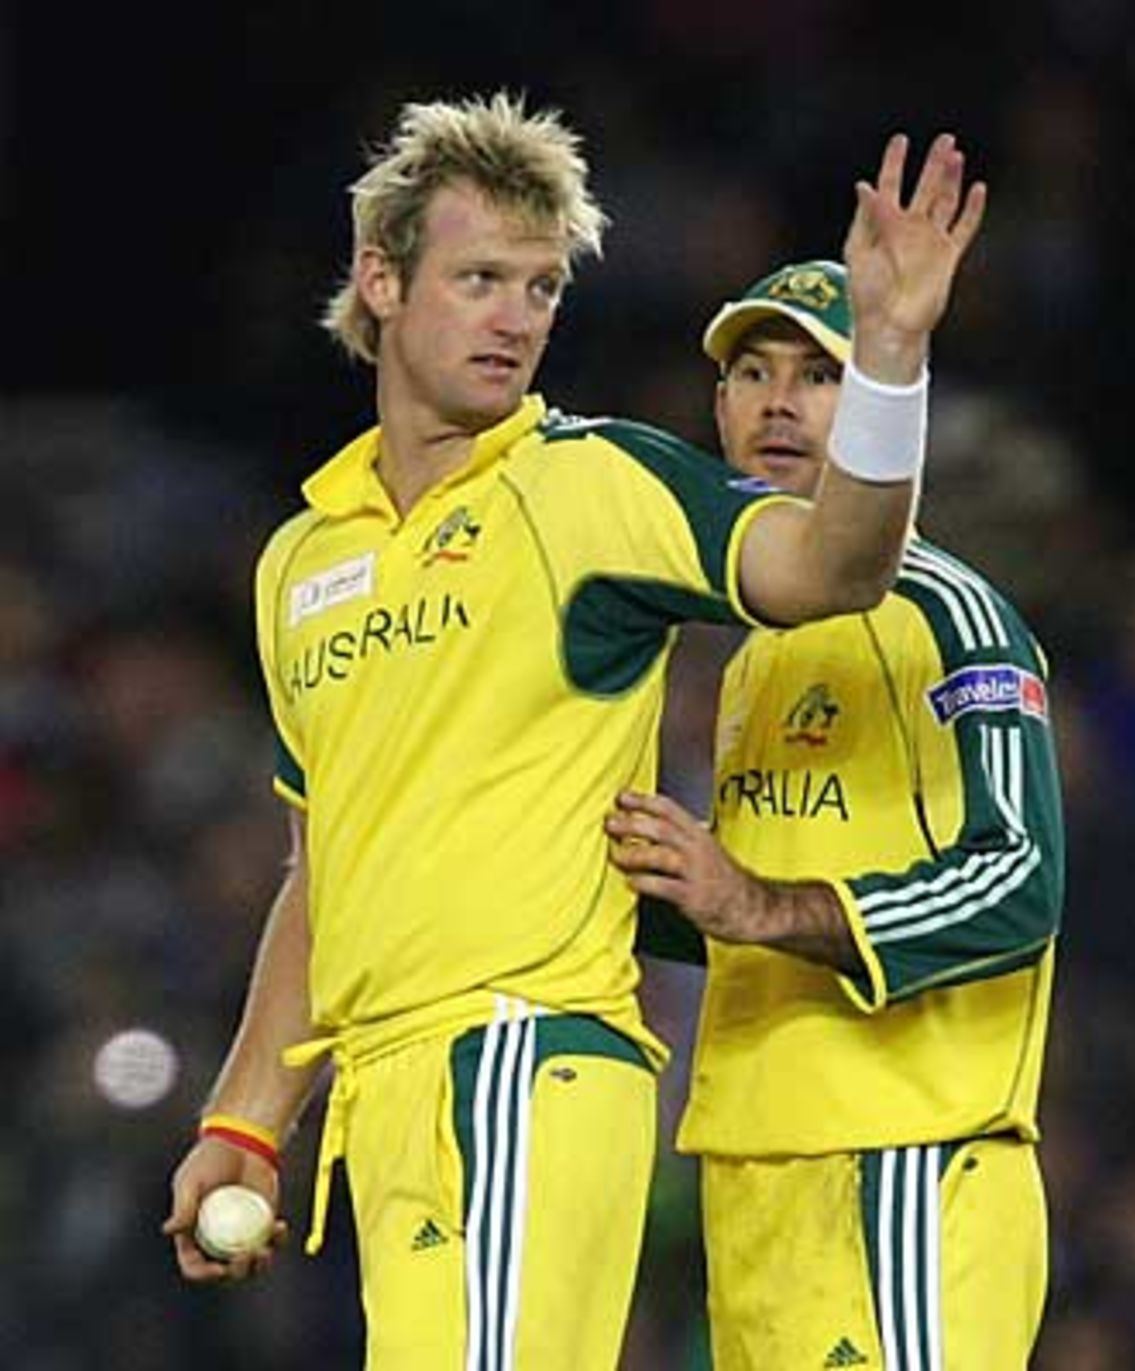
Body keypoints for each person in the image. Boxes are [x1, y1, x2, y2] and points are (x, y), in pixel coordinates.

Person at [163, 90, 986, 1371]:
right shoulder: (299, 562)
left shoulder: (592, 484)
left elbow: (837, 568)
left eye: (542, 290)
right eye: (481, 278)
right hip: (385, 1099)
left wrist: (887, 364)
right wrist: (252, 1120)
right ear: (381, 280)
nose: (514, 319)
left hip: (518, 1058)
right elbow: (325, 869)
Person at [607, 258, 1064, 1369]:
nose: (776, 400)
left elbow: (1019, 880)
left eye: (818, 373)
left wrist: (755, 901)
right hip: (755, 1173)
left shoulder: (946, 610)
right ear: (715, 409)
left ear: (883, 401)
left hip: (904, 1157)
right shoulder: (753, 646)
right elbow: (742, 914)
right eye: (752, 372)